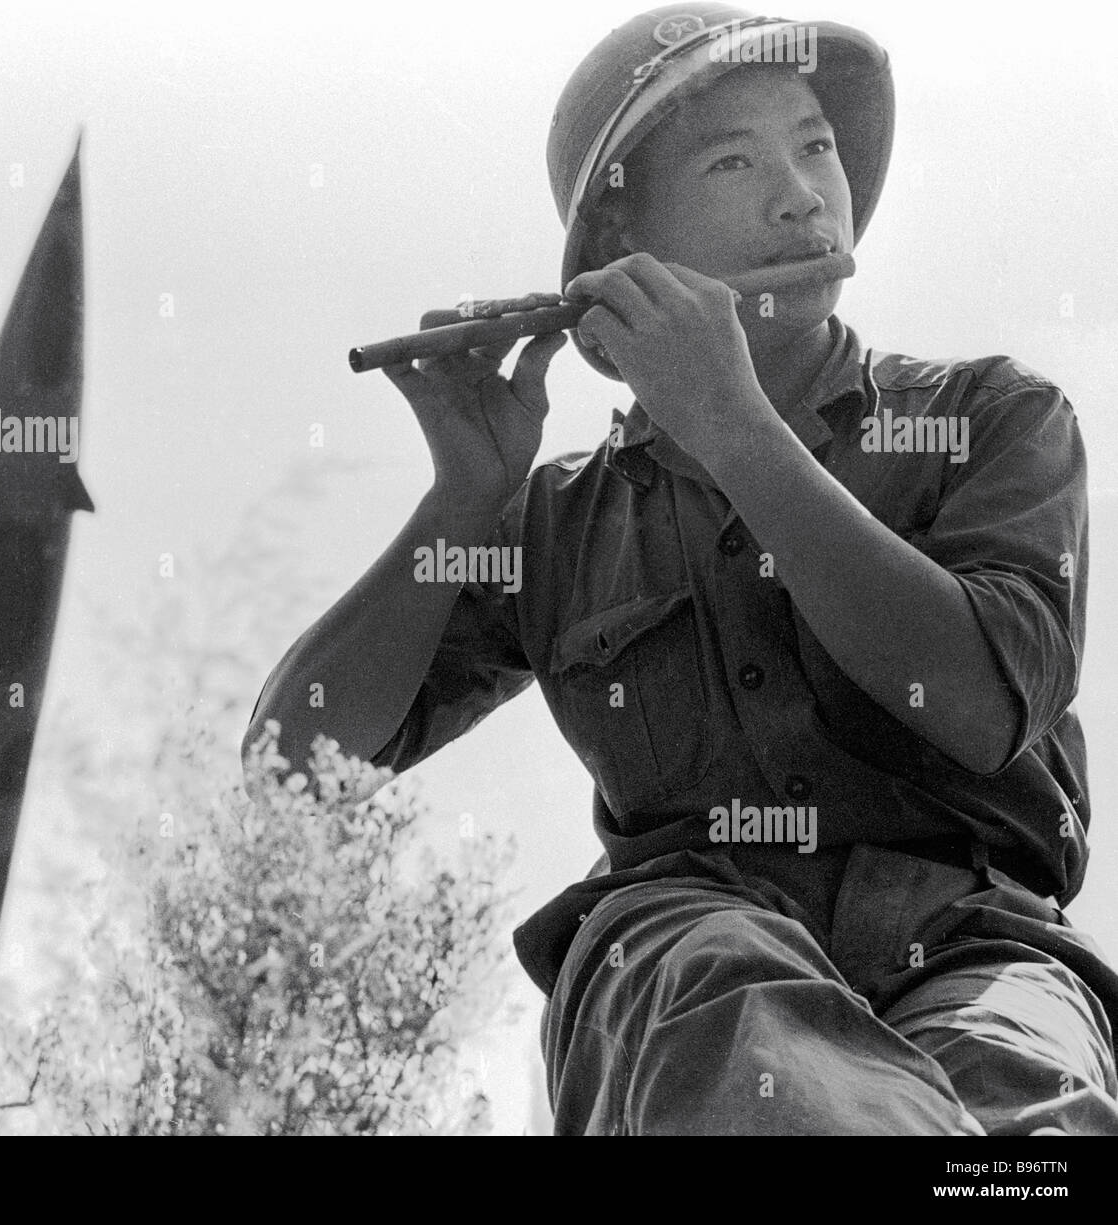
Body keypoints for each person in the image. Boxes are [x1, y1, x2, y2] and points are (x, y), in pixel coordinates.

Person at [245, 3, 1118, 1134]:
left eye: (815, 146)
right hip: (687, 961)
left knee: (1031, 1125)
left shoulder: (990, 419)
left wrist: (736, 431)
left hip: (976, 948)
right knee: (725, 1002)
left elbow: (977, 699)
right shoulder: (554, 521)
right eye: (733, 160)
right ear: (622, 255)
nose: (805, 190)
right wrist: (460, 497)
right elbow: (294, 769)